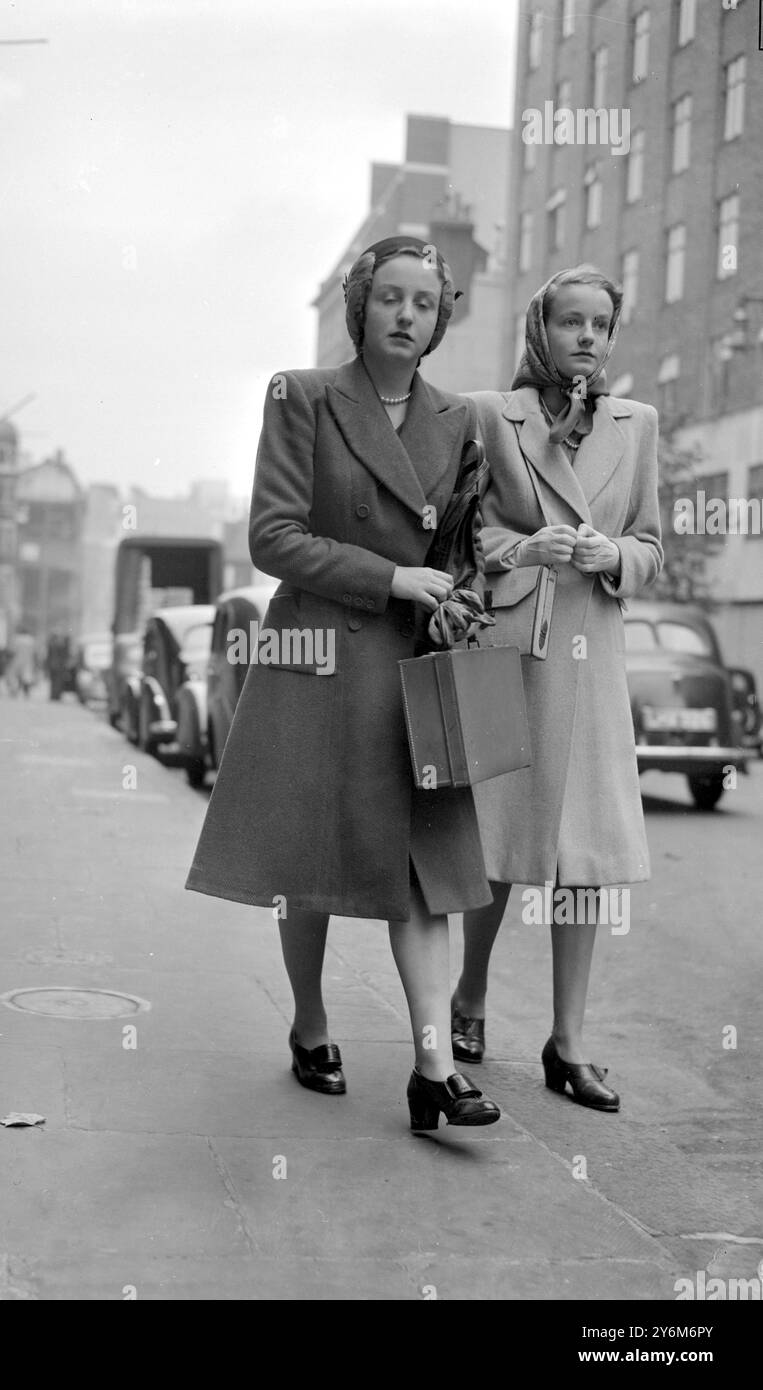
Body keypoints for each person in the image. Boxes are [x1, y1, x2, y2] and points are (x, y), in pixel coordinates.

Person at [186, 235, 503, 1131]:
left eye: (424, 303)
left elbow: (460, 555)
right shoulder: (303, 397)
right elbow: (272, 538)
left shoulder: (459, 421)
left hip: (410, 670)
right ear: (359, 304)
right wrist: (393, 579)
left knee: (427, 875)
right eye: (390, 297)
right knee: (308, 862)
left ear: (442, 319)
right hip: (318, 654)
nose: (406, 315)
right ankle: (311, 1023)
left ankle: (432, 1070)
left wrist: (454, 603)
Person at [451, 265, 663, 1112]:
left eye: (600, 324)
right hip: (514, 646)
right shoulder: (486, 415)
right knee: (499, 843)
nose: (585, 337)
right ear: (539, 328)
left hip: (592, 652)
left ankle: (566, 1042)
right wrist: (524, 550)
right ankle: (467, 1000)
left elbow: (648, 540)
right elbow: (466, 536)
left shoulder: (636, 423)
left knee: (586, 857)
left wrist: (613, 556)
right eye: (569, 321)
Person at [8, 626, 38, 698]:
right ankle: (26, 691)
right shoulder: (31, 640)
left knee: (15, 676)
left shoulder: (16, 639)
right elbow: (35, 652)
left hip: (17, 659)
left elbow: (12, 650)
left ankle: (15, 690)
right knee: (26, 676)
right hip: (28, 660)